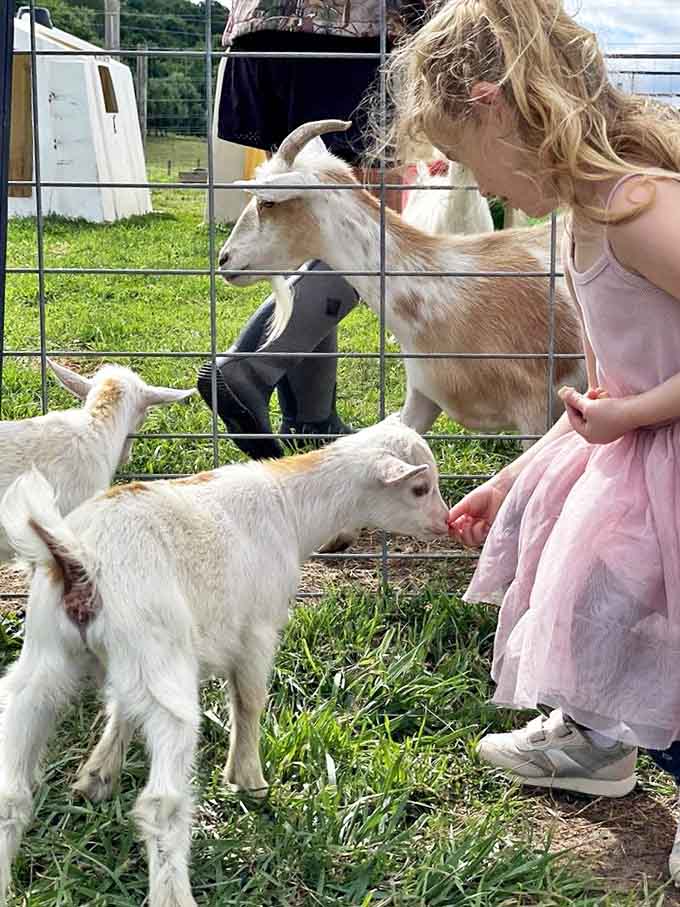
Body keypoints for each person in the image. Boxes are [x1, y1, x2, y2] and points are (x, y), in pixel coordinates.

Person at [380, 0, 680, 875]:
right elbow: (603, 391)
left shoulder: (638, 208)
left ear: (496, 107)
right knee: (593, 600)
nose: (481, 189)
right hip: (640, 459)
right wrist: (516, 476)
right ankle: (601, 741)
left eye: (466, 159)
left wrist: (633, 416)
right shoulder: (584, 221)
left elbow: (623, 402)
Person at [198, 0, 422, 459]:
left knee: (302, 223)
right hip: (351, 39)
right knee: (371, 234)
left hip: (260, 32)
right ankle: (248, 370)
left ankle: (311, 417)